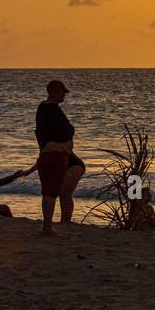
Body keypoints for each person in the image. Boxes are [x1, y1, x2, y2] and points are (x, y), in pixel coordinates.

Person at [34, 79, 86, 237]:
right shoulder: (52, 109)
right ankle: (52, 225)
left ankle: (63, 221)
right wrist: (66, 140)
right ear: (55, 92)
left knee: (60, 192)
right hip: (61, 157)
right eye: (62, 92)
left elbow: (41, 132)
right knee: (57, 192)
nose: (64, 95)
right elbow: (68, 130)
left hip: (64, 158)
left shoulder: (42, 108)